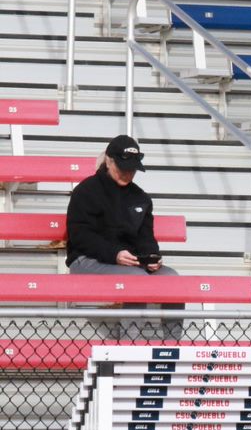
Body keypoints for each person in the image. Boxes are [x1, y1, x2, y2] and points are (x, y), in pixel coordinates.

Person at [65, 135, 183, 339]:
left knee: (173, 280)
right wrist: (115, 254)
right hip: (87, 259)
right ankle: (131, 346)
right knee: (136, 279)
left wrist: (152, 257)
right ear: (109, 161)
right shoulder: (86, 191)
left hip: (129, 263)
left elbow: (146, 237)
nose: (128, 173)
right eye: (122, 167)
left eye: (132, 169)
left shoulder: (141, 197)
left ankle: (173, 347)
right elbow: (80, 236)